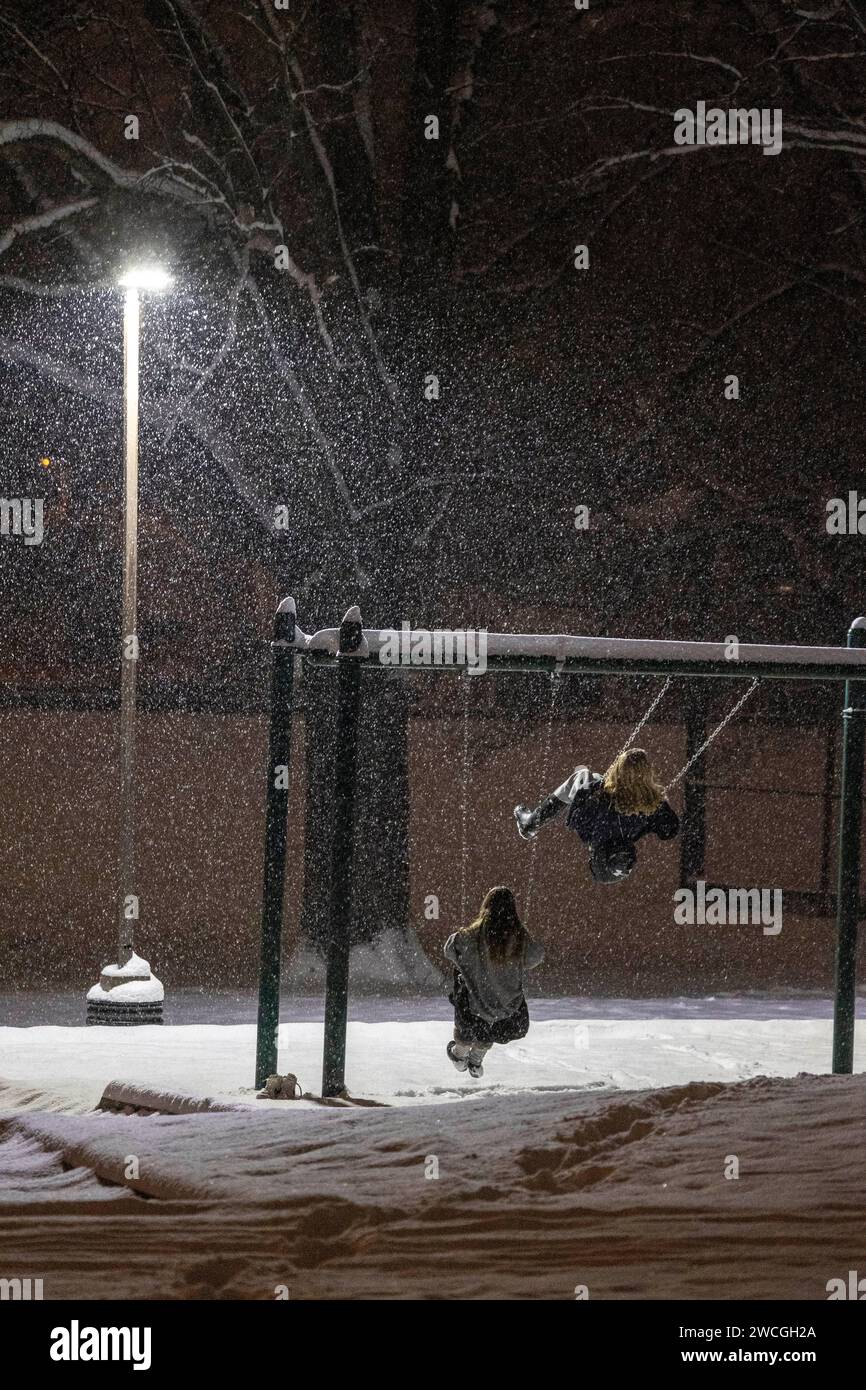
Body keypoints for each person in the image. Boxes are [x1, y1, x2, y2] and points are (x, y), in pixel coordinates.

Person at [514, 747, 679, 882]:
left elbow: (578, 823)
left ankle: (532, 823)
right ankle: (532, 822)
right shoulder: (653, 805)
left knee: (582, 775)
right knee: (590, 780)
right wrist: (661, 804)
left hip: (602, 852)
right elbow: (669, 830)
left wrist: (585, 792)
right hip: (617, 855)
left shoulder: (599, 796)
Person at [443, 885, 544, 1079]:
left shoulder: (470, 936)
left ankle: (459, 1055)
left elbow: (449, 949)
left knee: (472, 1015)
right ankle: (476, 1062)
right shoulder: (519, 938)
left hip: (474, 1005)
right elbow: (536, 956)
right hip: (507, 1007)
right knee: (489, 1024)